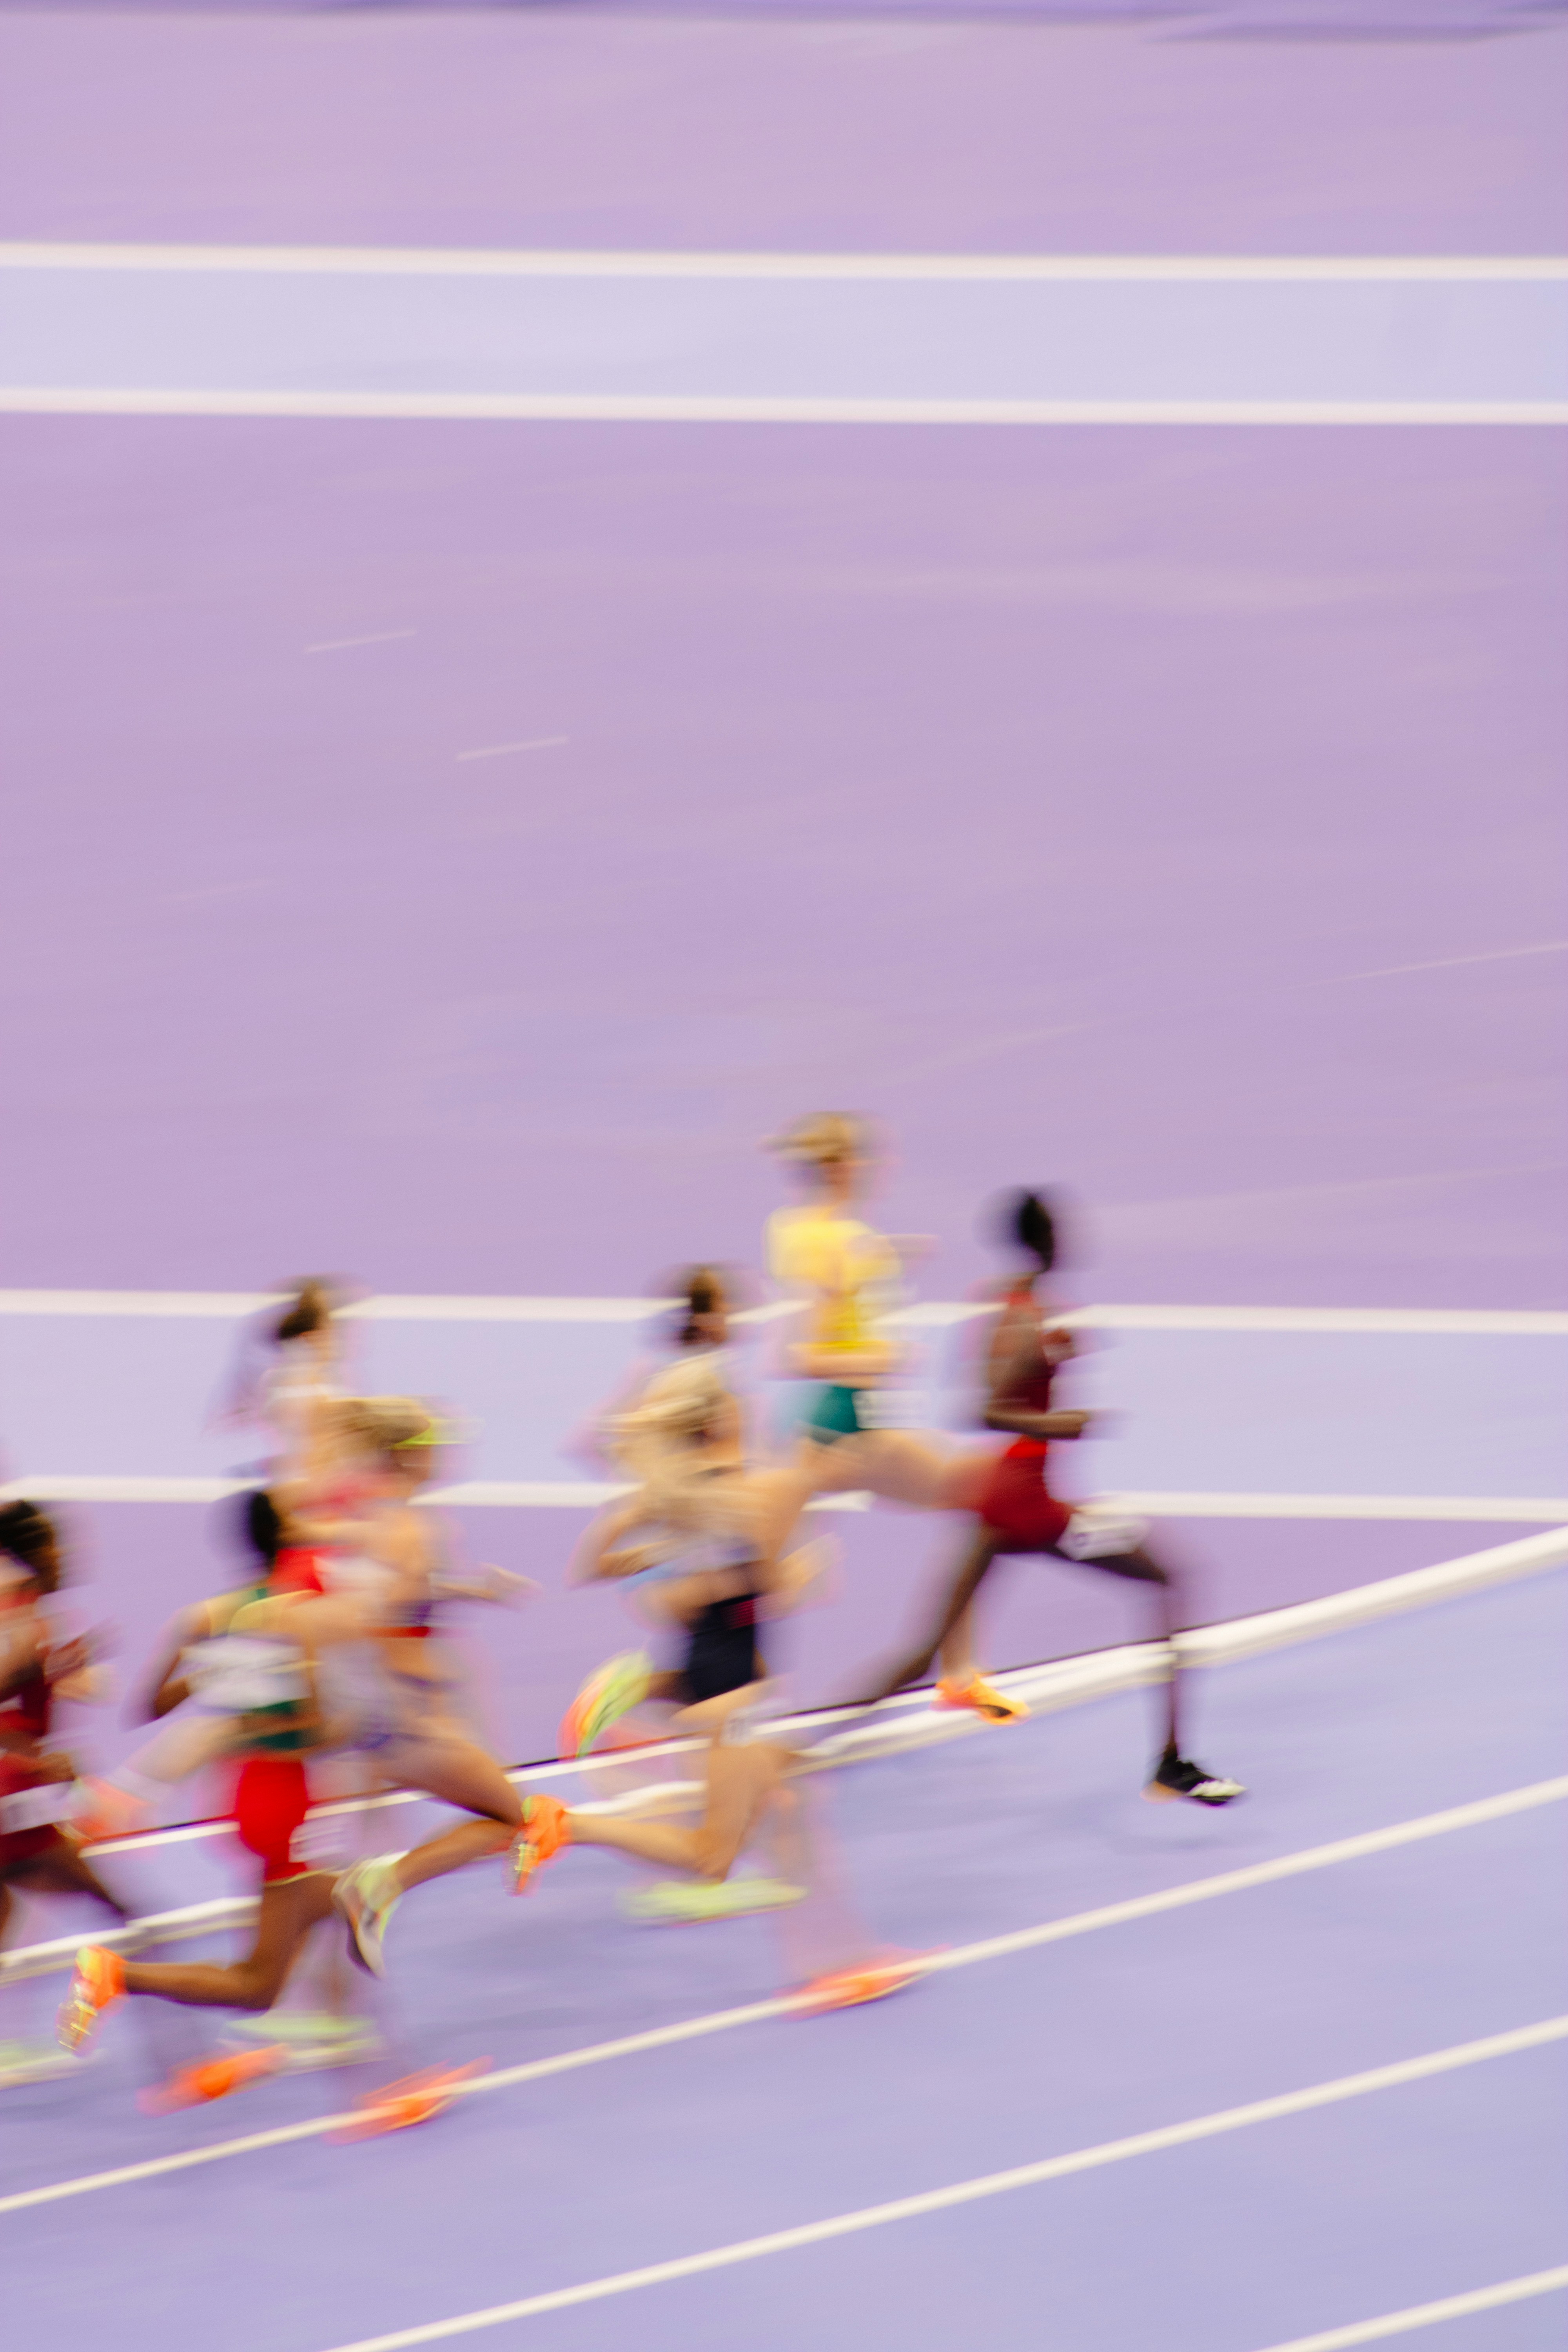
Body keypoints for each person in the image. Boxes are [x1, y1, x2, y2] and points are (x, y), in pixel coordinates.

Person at [861, 1192, 1245, 1804]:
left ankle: (812, 1744)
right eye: (1061, 1229)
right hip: (1034, 1512)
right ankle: (1172, 1764)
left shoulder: (1012, 1306)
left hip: (1001, 1500)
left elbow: (996, 1393)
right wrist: (1059, 1422)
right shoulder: (1032, 1320)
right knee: (1170, 1579)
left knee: (926, 1651)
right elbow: (985, 1408)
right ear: (1047, 1241)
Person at [765, 1114, 987, 1513]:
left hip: (851, 1413)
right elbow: (797, 1355)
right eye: (863, 1157)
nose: (874, 1167)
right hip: (837, 1422)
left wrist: (885, 1259)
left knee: (971, 1500)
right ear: (839, 1167)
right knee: (976, 1499)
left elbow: (841, 1307)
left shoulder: (830, 1233)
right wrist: (886, 1357)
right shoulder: (828, 1241)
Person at [1, 1503, 131, 2084]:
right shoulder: (25, 1621)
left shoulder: (30, 1617)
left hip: (19, 1800)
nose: (67, 1557)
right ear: (32, 1555)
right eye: (56, 1548)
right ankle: (187, 2065)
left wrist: (59, 1669)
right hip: (13, 1805)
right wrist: (43, 1761)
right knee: (125, 1914)